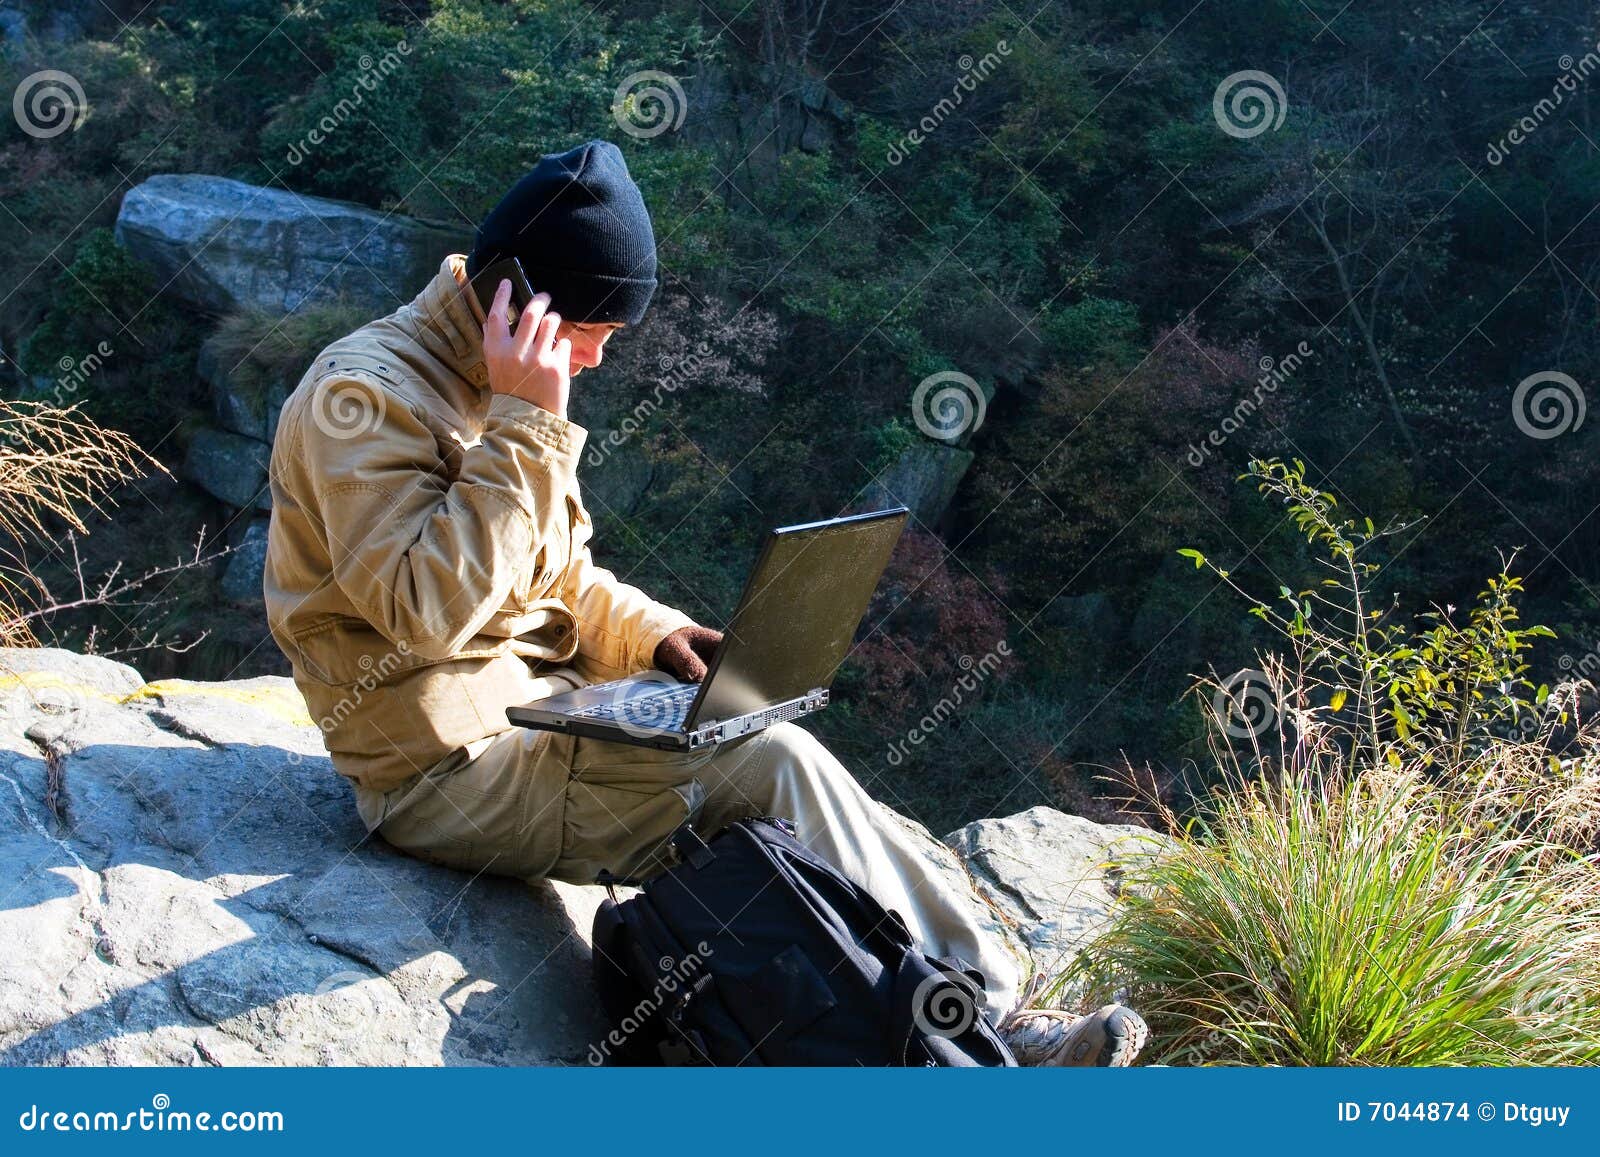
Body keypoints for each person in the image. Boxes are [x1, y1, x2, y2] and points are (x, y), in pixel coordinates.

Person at [263, 138, 1146, 1067]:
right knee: (769, 762)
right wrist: (528, 428)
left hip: (545, 712)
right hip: (444, 768)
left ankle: (936, 1015)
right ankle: (996, 1020)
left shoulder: (501, 379)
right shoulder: (363, 400)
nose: (598, 356)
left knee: (747, 723)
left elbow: (561, 579)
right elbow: (425, 611)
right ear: (517, 302)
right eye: (594, 329)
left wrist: (658, 639)